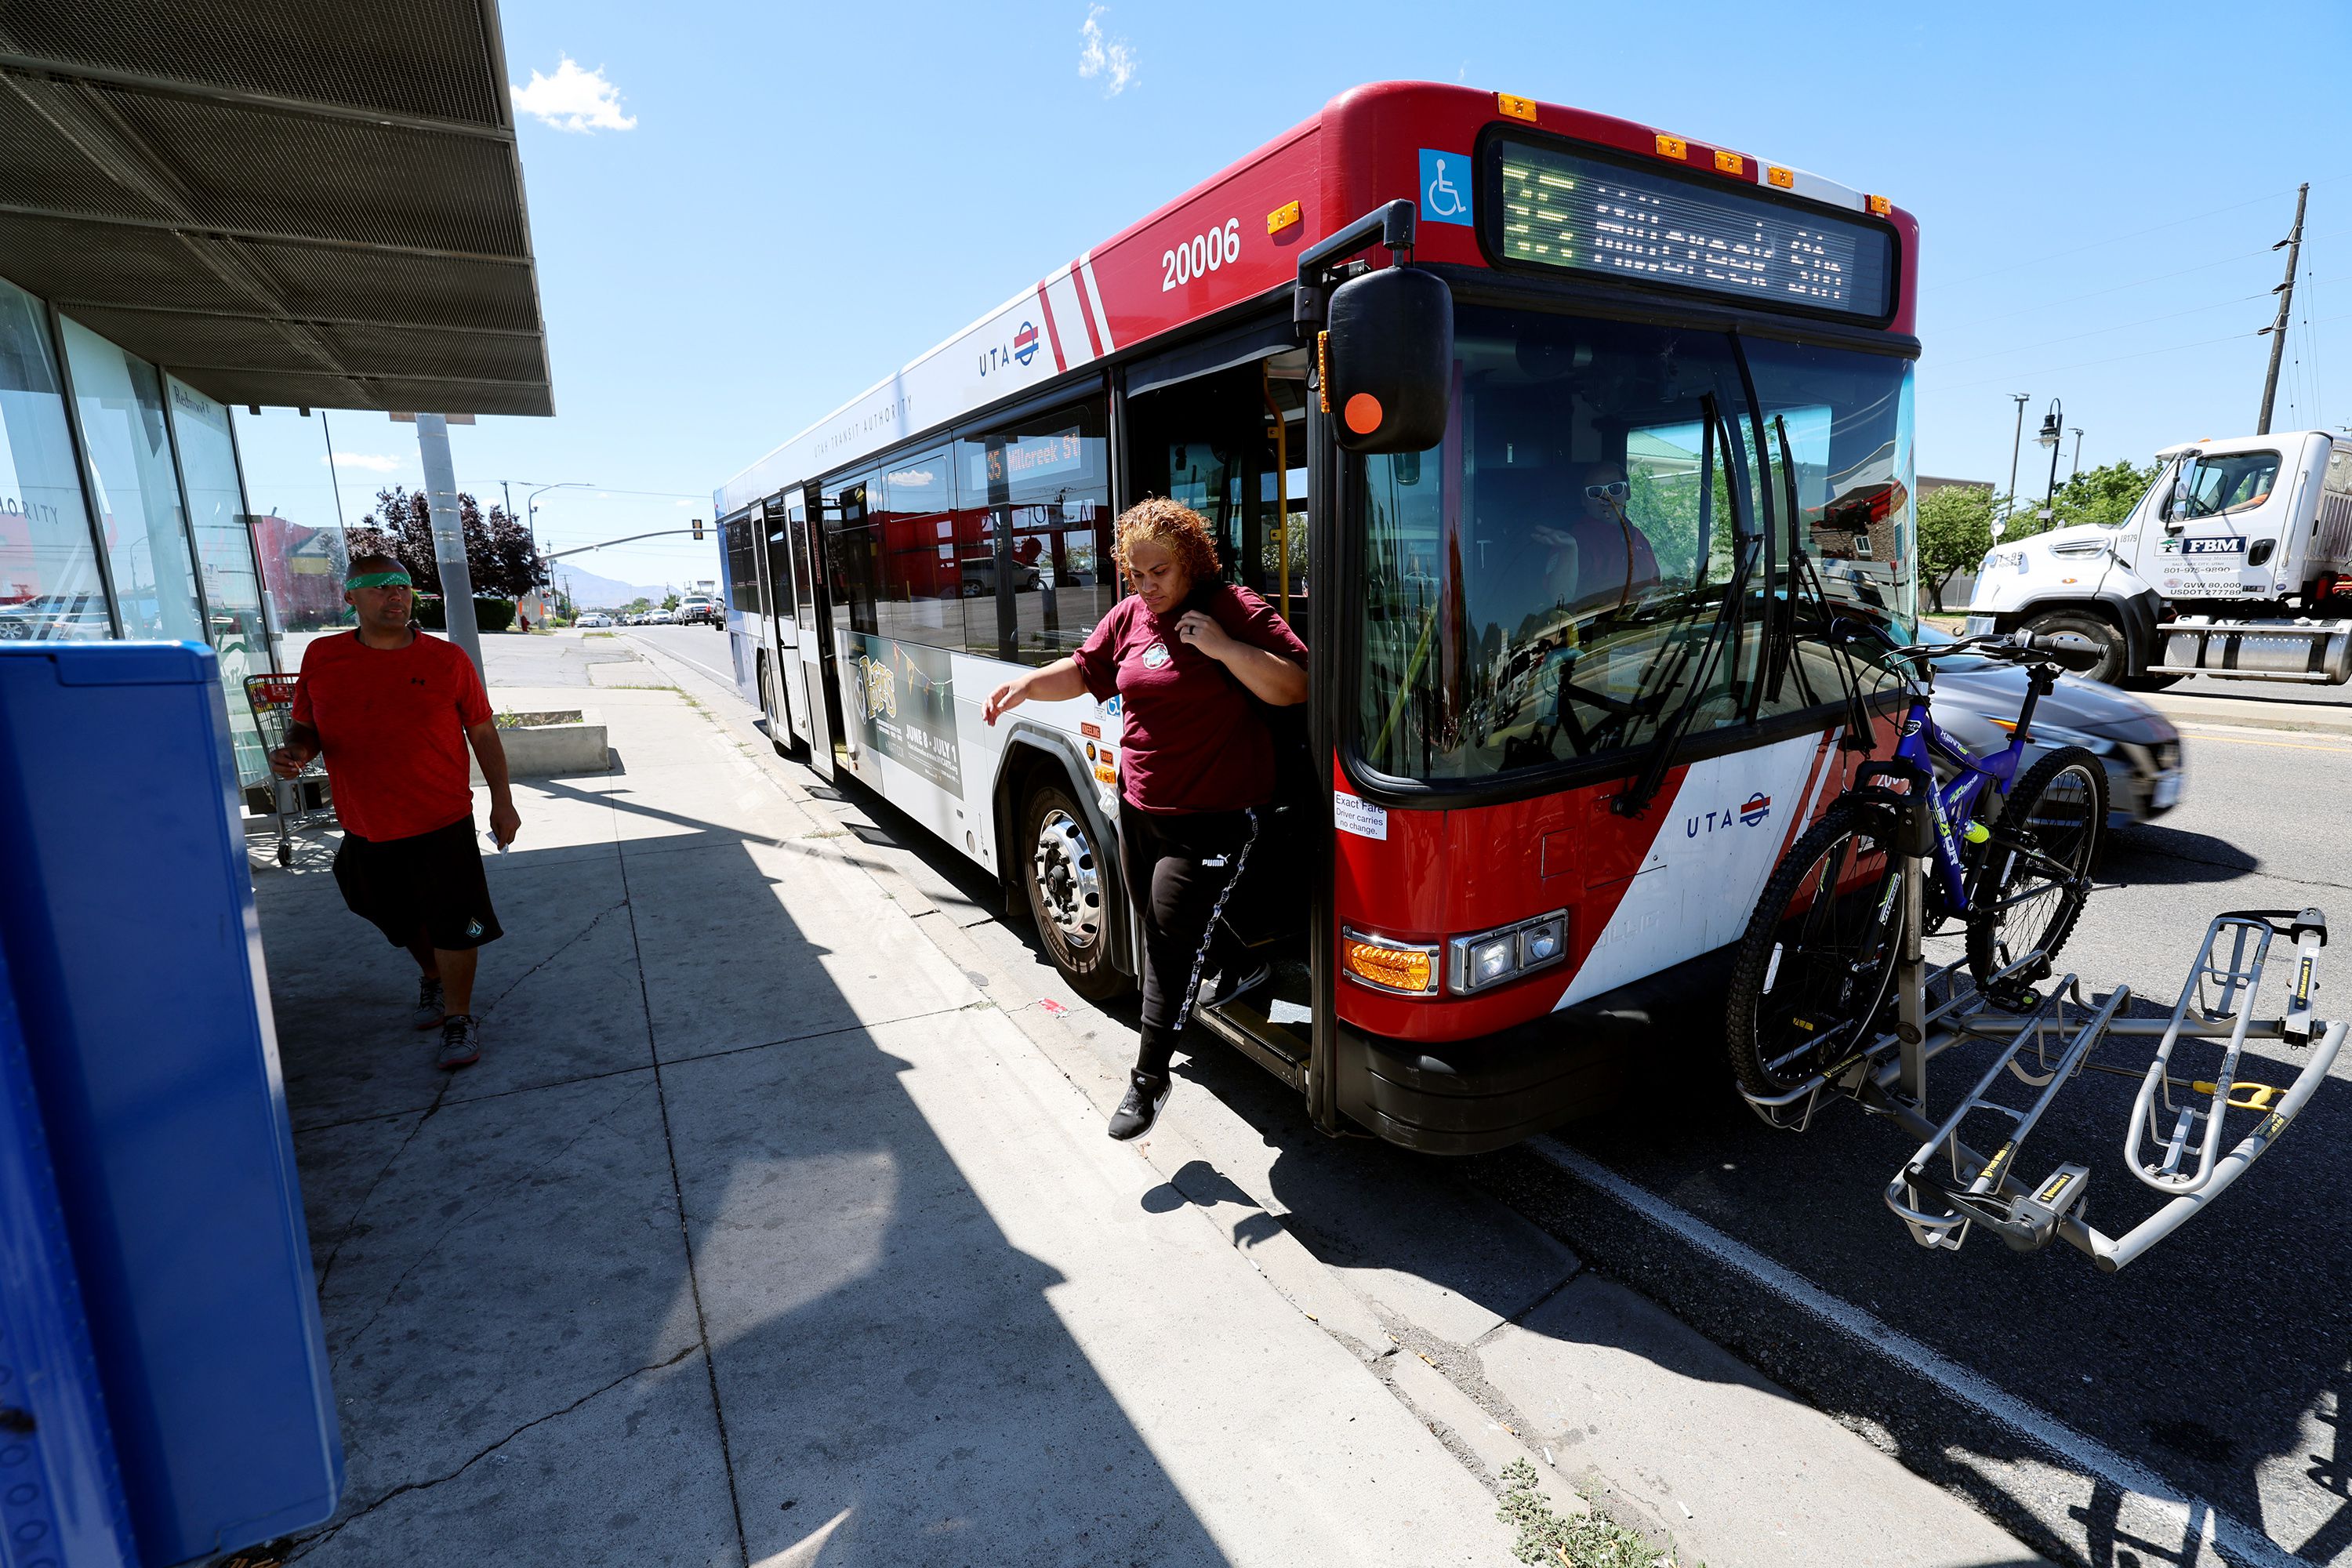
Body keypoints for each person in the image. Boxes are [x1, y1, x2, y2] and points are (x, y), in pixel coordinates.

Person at [983, 499, 1307, 1140]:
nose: (1146, 585)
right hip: (1140, 809)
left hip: (1213, 817)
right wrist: (1024, 686)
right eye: (1135, 573)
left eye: (1158, 571)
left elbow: (1297, 684)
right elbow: (1084, 671)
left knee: (1165, 940)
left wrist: (1223, 650)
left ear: (1190, 562)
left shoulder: (1231, 609)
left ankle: (1149, 1081)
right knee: (1159, 921)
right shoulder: (1130, 616)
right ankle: (1242, 965)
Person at [270, 554, 522, 1070]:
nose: (396, 595)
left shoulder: (447, 661)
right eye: (380, 586)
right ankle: (431, 974)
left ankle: (458, 1017)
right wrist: (296, 752)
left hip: (442, 819)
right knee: (391, 912)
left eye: (403, 586)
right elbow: (307, 727)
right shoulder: (322, 656)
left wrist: (503, 801)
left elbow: (481, 731)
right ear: (351, 598)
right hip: (366, 822)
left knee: (455, 922)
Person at [1529, 461, 1661, 620]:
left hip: (1645, 628)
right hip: (1598, 636)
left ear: (1628, 492)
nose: (1606, 497)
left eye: (1614, 489)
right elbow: (1559, 599)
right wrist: (1569, 550)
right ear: (1584, 500)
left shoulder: (1637, 536)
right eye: (1595, 492)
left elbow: (1655, 583)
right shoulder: (1572, 541)